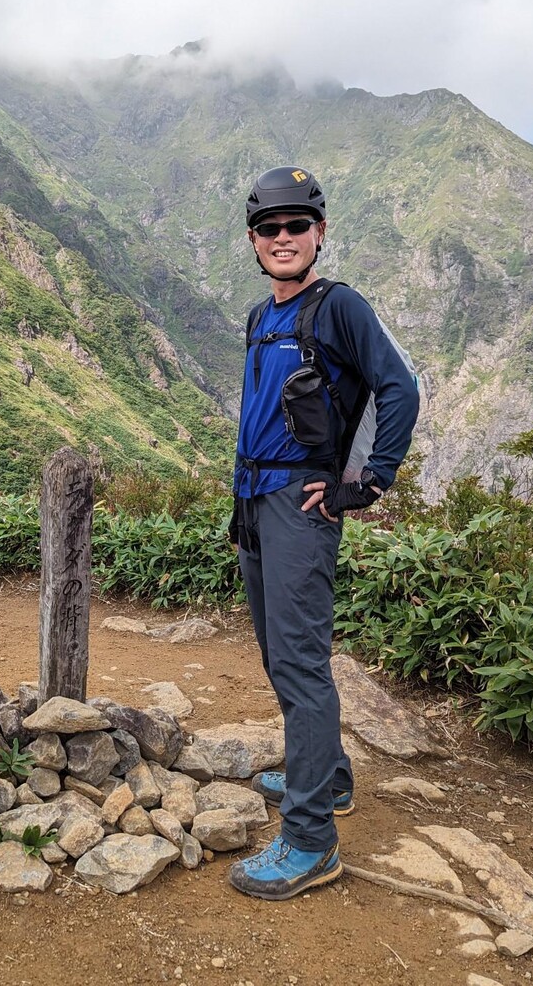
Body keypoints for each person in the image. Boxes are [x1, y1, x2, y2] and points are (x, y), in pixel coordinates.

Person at [227, 165, 419, 900]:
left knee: (302, 665)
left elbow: (398, 385)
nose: (283, 238)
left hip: (302, 506)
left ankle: (310, 839)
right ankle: (328, 777)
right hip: (255, 497)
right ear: (253, 239)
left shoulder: (339, 307)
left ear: (319, 233)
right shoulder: (260, 316)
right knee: (281, 654)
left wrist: (367, 482)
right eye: (269, 228)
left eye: (296, 226)